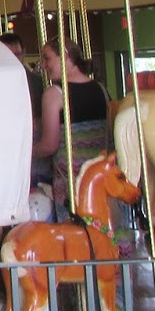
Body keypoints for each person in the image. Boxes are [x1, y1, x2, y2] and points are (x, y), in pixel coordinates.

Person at [34, 39, 109, 210]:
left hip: (72, 183)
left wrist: (26, 152)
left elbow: (49, 145)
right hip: (100, 180)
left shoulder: (55, 94)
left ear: (65, 56)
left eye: (47, 58)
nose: (44, 65)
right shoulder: (101, 89)